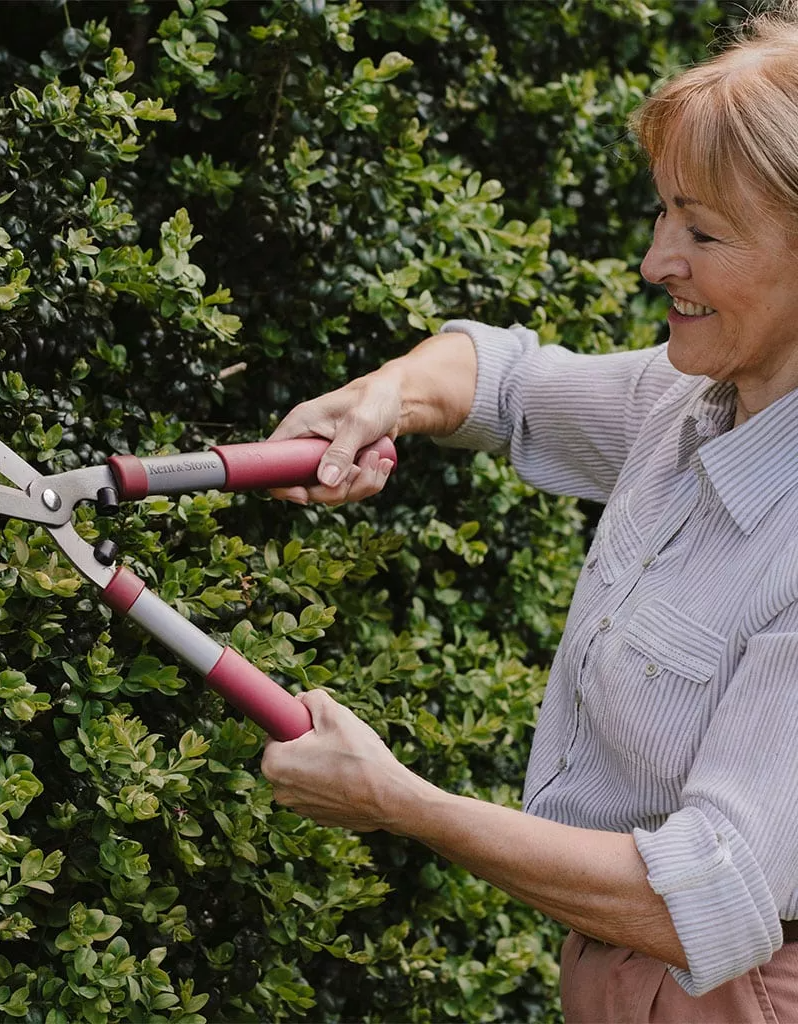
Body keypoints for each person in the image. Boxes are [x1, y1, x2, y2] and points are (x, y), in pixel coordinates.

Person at [260, 5, 798, 1021]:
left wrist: (402, 804)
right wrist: (385, 397)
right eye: (661, 215)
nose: (654, 262)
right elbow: (503, 382)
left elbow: (706, 899)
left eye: (701, 231)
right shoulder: (689, 399)